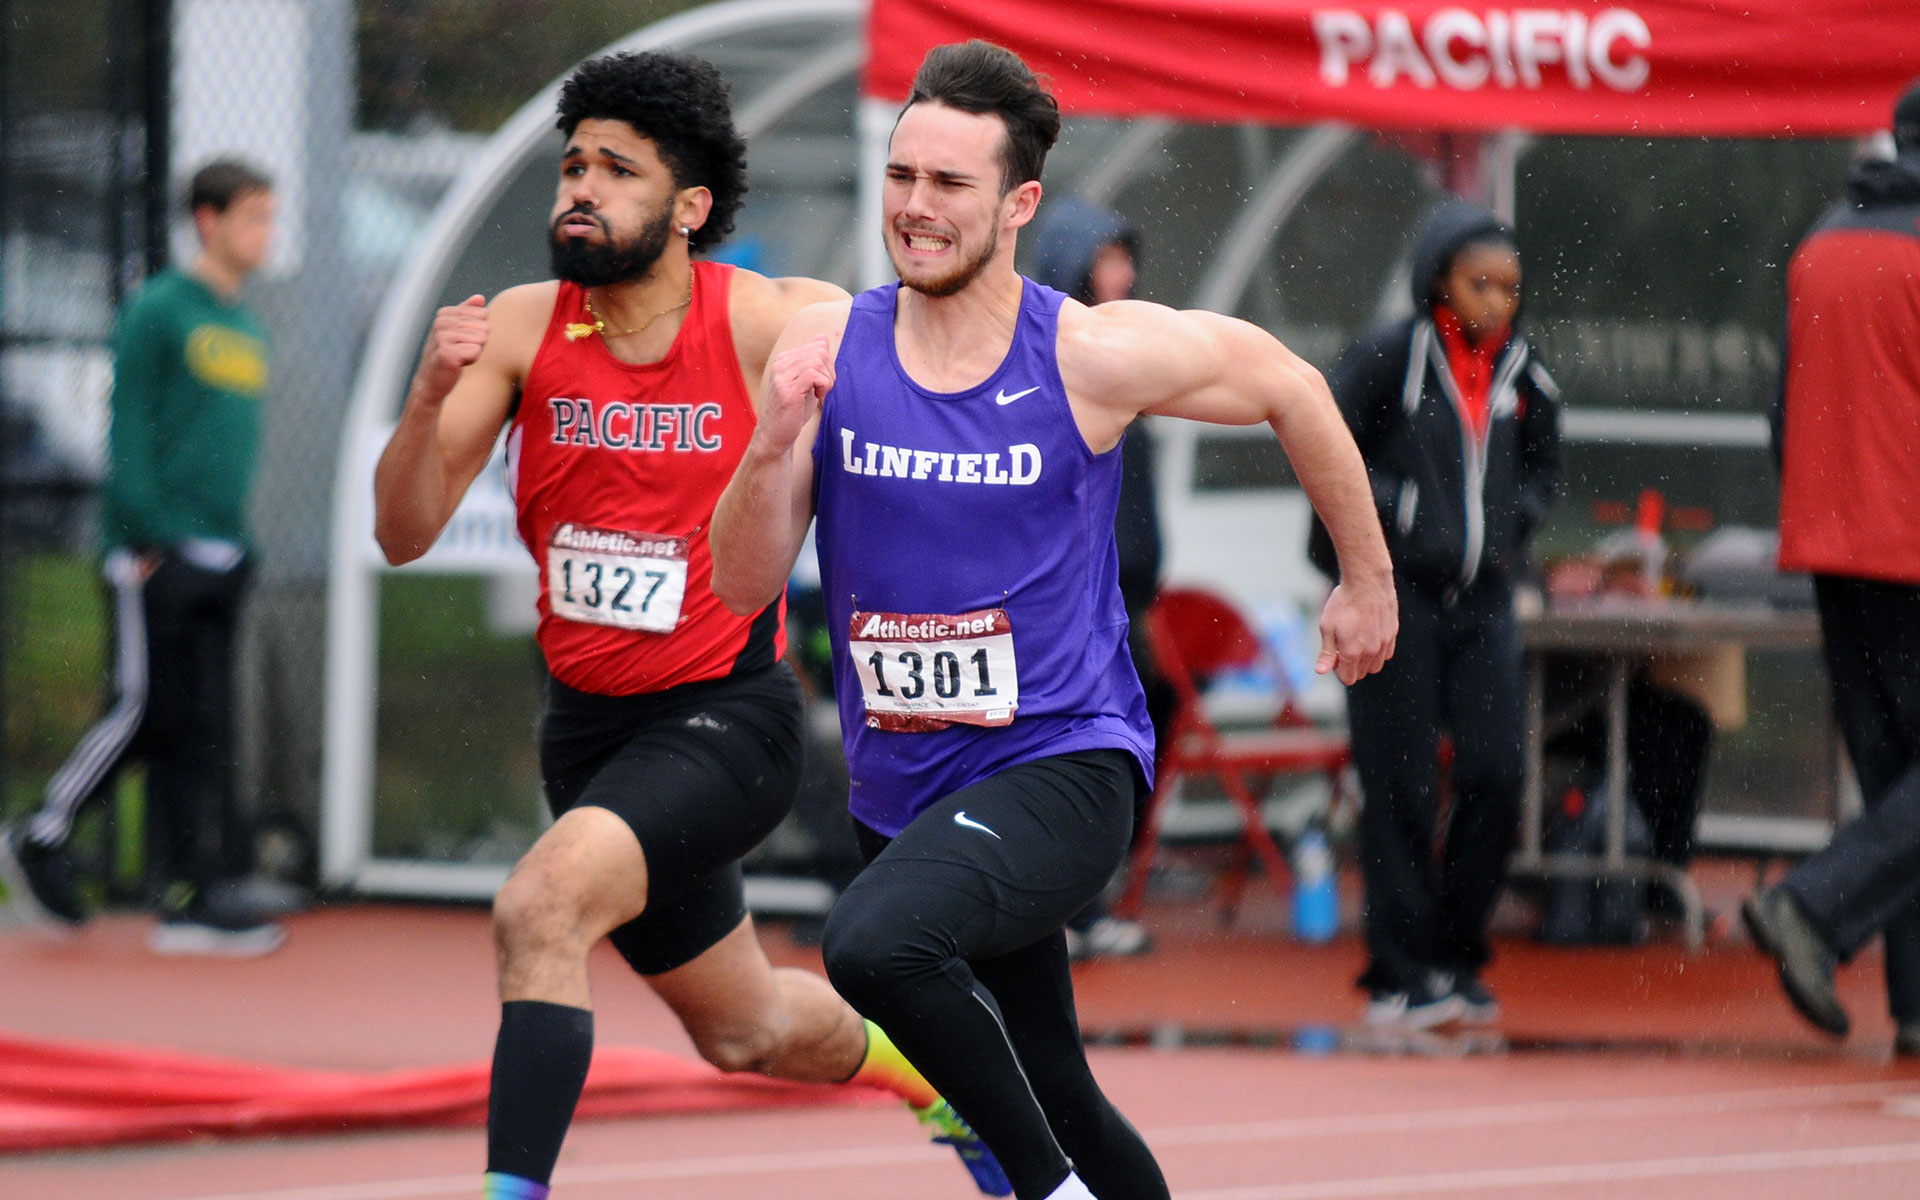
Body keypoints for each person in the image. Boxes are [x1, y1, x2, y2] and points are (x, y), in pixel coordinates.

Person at [710, 40, 1396, 1200]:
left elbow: (1290, 383)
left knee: (872, 947)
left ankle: (1047, 1192)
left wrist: (1365, 580)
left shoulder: (1084, 353)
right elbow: (740, 585)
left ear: (1019, 204)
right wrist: (772, 444)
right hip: (903, 788)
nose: (915, 206)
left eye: (950, 183)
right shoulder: (828, 350)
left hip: (1062, 766)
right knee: (1057, 1088)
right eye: (902, 176)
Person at [368, 52, 1007, 1200]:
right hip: (587, 739)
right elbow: (403, 530)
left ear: (690, 207)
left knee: (541, 906)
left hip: (724, 724)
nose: (583, 187)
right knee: (746, 1030)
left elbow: (946, 354)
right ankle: (941, 1079)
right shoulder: (517, 329)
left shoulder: (771, 321)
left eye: (619, 171)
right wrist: (424, 400)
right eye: (574, 165)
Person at [1, 159, 284, 956]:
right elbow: (127, 434)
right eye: (253, 217)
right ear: (208, 221)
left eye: (270, 217)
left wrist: (234, 544)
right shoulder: (159, 310)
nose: (266, 233)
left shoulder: (248, 325)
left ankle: (193, 894)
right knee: (144, 710)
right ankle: (41, 833)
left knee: (201, 727)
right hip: (157, 554)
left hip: (223, 553)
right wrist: (153, 534)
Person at [1310, 200, 1561, 1028]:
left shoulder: (1525, 370)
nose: (1497, 301)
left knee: (1497, 772)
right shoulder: (1391, 356)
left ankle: (1456, 952)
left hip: (1483, 597)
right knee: (1401, 781)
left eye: (1510, 287)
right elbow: (1322, 437)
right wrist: (1400, 510)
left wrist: (1517, 523)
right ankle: (1399, 970)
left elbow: (1544, 464)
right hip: (1397, 594)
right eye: (1479, 283)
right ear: (1438, 281)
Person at [1743, 77, 1920, 1056]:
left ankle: (1917, 1008)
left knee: (1895, 779)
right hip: (1910, 542)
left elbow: (1785, 413)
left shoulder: (1824, 241)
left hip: (1831, 546)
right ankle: (1811, 906)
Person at [1030, 196, 1166, 960]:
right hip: (1066, 602)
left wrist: (1142, 591)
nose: (1123, 274)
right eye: (1107, 258)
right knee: (1074, 746)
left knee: (1132, 732)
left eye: (1125, 258)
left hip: (1124, 600)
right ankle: (1070, 906)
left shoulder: (1133, 349)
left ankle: (1088, 896)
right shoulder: (1048, 357)